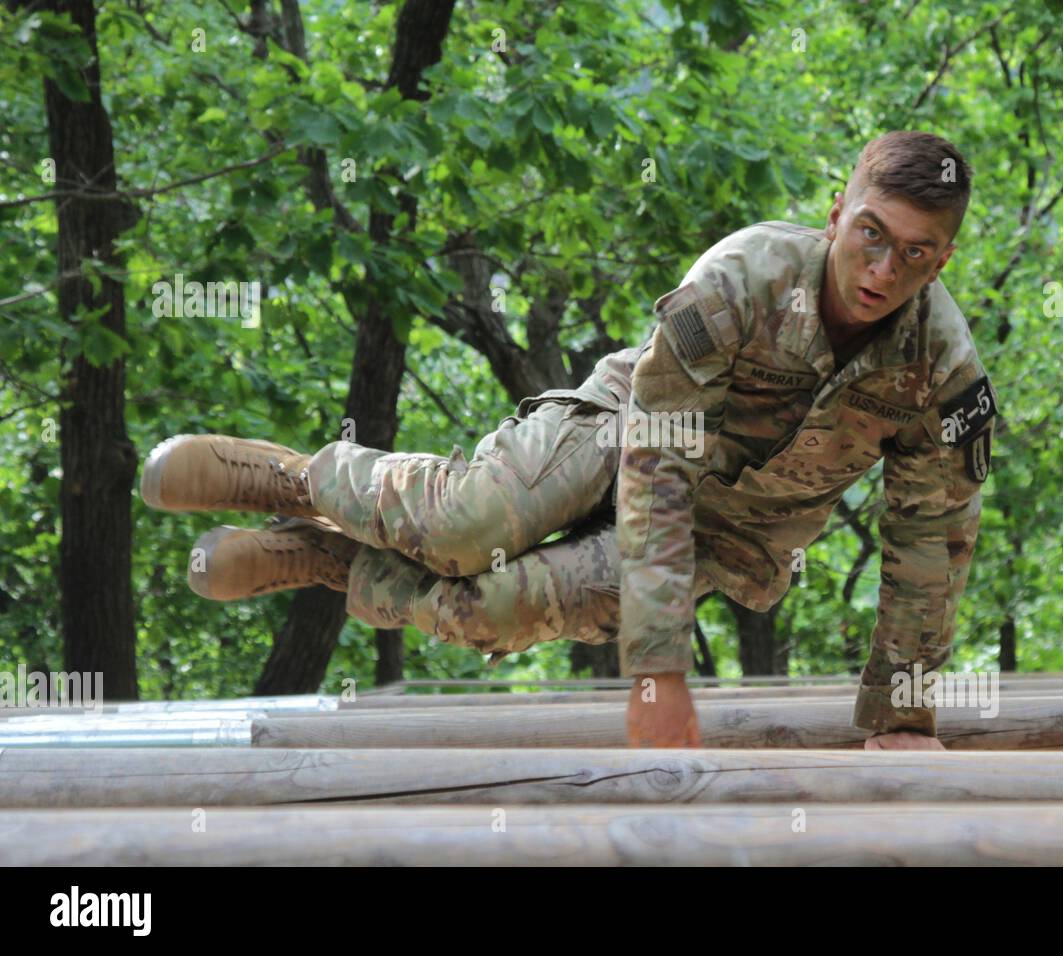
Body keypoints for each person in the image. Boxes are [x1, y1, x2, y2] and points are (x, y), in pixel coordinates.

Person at [141, 130, 998, 751]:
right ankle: (298, 481)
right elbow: (656, 461)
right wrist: (658, 668)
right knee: (466, 529)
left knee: (486, 613)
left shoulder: (943, 373)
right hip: (627, 432)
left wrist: (902, 720)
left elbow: (931, 547)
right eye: (872, 236)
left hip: (725, 535)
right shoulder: (743, 278)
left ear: (943, 260)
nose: (885, 270)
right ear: (838, 213)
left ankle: (321, 559)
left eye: (917, 254)